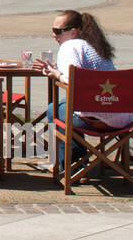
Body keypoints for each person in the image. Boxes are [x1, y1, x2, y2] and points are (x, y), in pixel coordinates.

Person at [31, 9, 126, 173]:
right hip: (122, 116)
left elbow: (71, 80)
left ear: (73, 32)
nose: (54, 35)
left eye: (57, 31)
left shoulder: (70, 46)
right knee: (63, 104)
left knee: (54, 109)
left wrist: (57, 75)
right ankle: (77, 162)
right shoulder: (97, 46)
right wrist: (58, 72)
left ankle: (71, 165)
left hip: (96, 117)